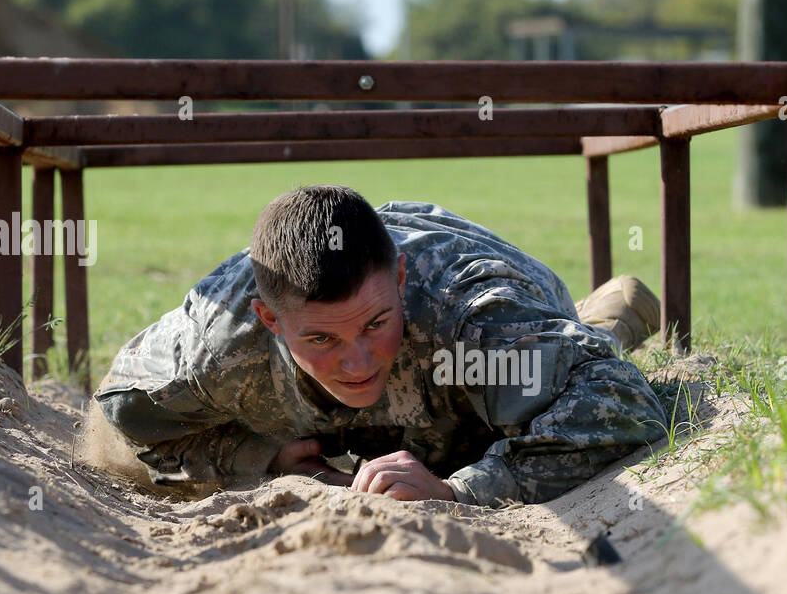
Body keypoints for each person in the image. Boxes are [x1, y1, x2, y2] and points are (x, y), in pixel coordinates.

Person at [83, 184, 668, 506]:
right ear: (269, 319)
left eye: (373, 324)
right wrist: (260, 459)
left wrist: (461, 488)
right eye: (321, 338)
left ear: (402, 282)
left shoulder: (471, 317)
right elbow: (123, 417)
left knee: (556, 375)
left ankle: (604, 321)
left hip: (474, 365)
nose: (358, 362)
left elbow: (623, 403)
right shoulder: (218, 343)